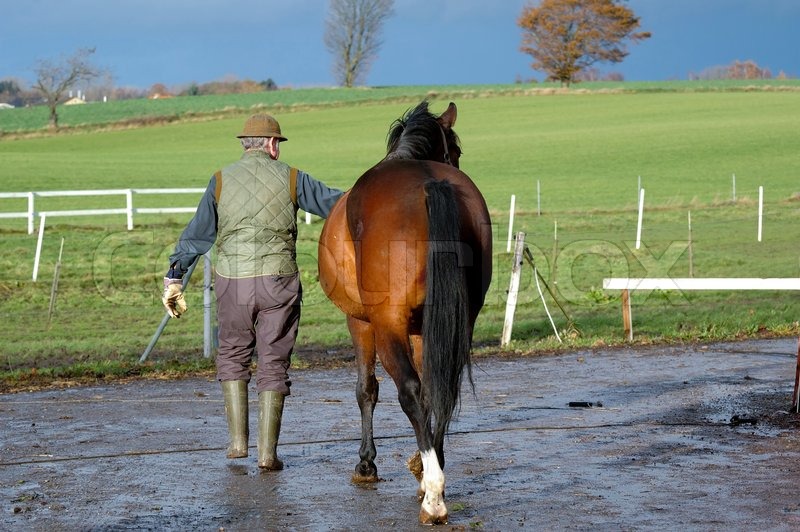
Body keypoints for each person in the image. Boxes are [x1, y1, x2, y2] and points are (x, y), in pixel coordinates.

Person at [162, 113, 344, 470]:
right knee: (273, 360)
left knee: (232, 353)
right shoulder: (292, 177)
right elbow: (336, 204)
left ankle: (237, 443)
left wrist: (174, 277)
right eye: (279, 143)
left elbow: (197, 235)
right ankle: (267, 454)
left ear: (245, 144)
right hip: (279, 281)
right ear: (272, 144)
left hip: (233, 281)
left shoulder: (220, 180)